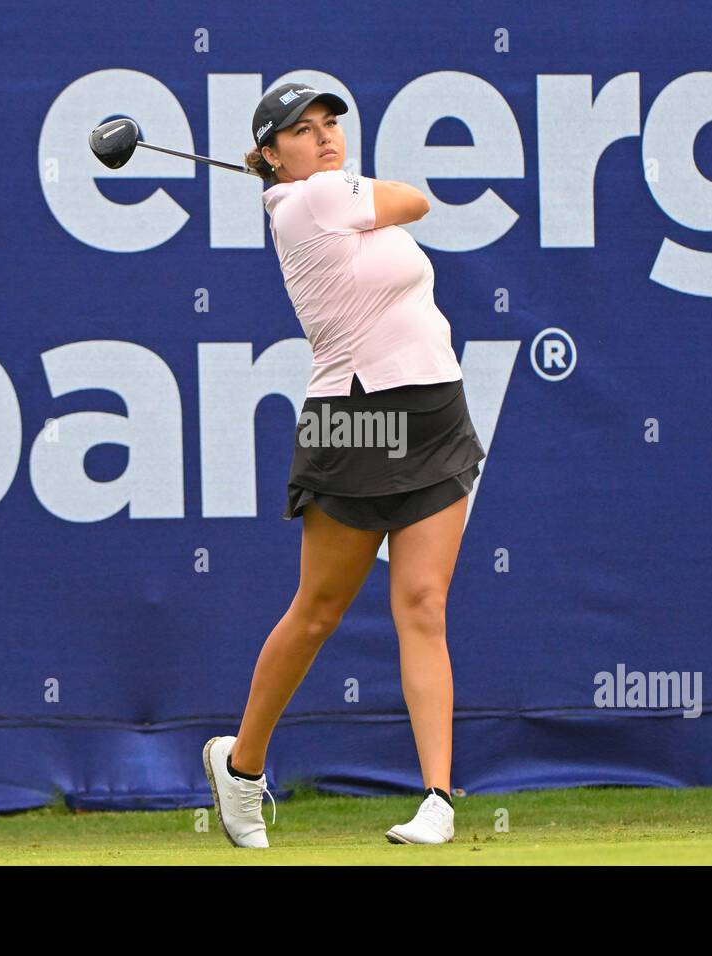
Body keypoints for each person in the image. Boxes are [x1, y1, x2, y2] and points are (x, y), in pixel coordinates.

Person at [201, 82, 487, 847]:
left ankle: (436, 799)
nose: (326, 137)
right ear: (270, 155)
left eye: (331, 124)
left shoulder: (329, 196)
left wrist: (356, 194)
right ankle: (242, 765)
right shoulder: (307, 203)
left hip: (435, 410)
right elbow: (417, 199)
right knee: (319, 611)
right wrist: (350, 191)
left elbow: (396, 210)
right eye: (303, 130)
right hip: (358, 419)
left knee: (423, 604)